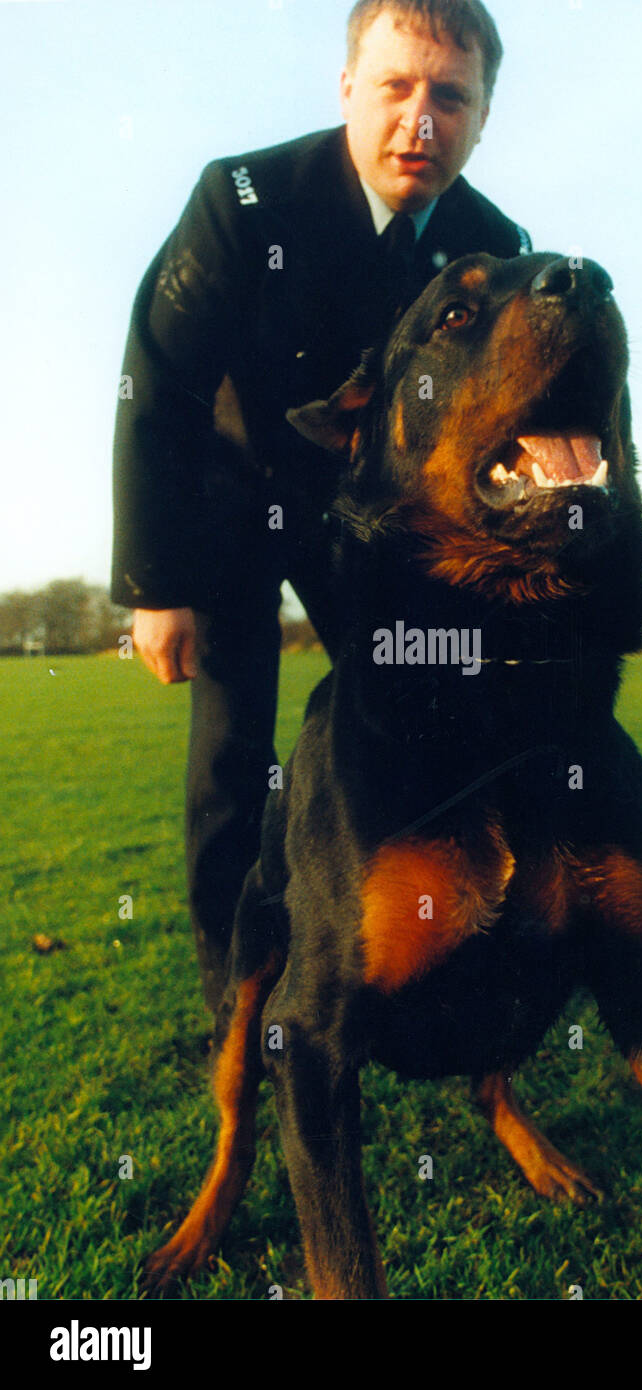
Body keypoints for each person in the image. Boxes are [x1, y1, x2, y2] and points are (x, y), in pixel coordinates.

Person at [111, 0, 531, 1013]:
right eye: (394, 87)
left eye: (450, 96)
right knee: (233, 757)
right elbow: (158, 384)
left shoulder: (494, 244)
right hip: (228, 504)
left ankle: (417, 944)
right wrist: (155, 584)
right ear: (347, 87)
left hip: (369, 530)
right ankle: (238, 1000)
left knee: (425, 721)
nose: (418, 121)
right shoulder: (242, 199)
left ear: (481, 116)